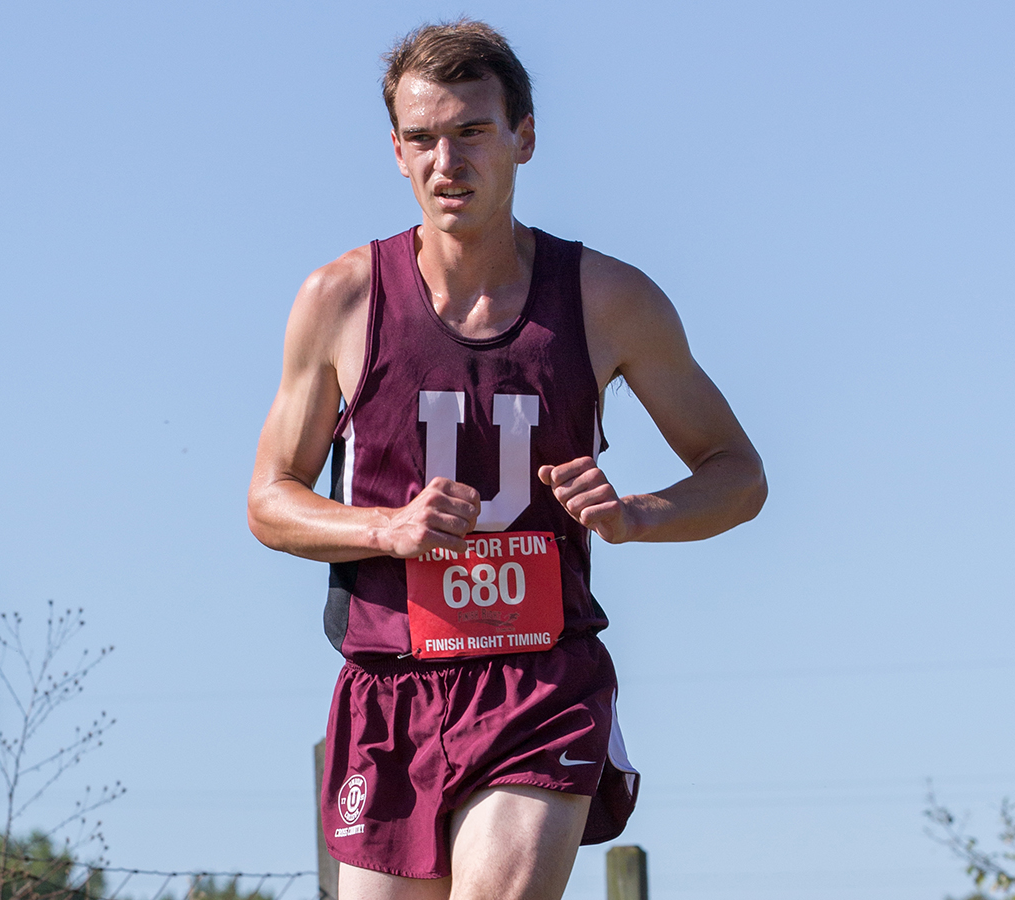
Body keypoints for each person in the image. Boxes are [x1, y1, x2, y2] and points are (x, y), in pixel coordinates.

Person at [247, 19, 766, 900]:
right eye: (422, 139)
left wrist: (637, 516)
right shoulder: (340, 298)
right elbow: (269, 499)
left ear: (523, 137)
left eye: (471, 132)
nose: (446, 162)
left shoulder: (607, 298)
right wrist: (388, 527)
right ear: (396, 151)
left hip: (540, 675)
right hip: (390, 686)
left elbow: (738, 473)